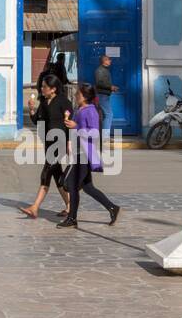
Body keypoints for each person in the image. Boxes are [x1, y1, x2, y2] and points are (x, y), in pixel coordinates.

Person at [58, 84, 120, 229]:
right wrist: (69, 141)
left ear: (85, 97)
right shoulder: (79, 109)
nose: (75, 96)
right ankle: (112, 208)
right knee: (87, 187)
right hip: (78, 152)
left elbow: (94, 133)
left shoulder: (91, 111)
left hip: (85, 154)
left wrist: (76, 127)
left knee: (70, 185)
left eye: (78, 94)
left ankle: (72, 218)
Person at [19, 73, 71, 219]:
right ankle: (70, 206)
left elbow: (69, 123)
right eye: (41, 86)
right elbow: (37, 121)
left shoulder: (63, 102)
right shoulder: (44, 101)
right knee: (57, 176)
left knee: (46, 173)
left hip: (59, 142)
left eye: (44, 87)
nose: (41, 89)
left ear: (53, 89)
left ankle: (34, 207)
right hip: (48, 143)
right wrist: (31, 109)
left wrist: (69, 142)